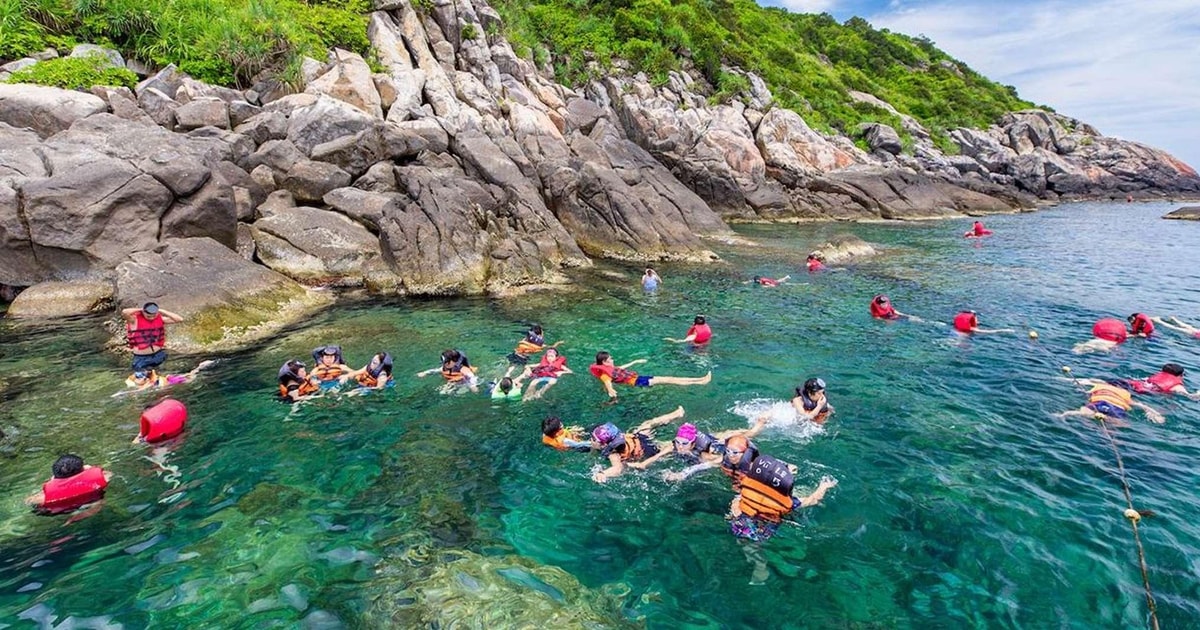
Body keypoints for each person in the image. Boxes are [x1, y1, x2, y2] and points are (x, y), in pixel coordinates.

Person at [728, 458, 838, 584]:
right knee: (756, 550)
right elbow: (813, 500)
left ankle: (758, 569)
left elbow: (739, 500)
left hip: (740, 524)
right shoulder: (786, 503)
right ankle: (760, 571)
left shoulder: (748, 489)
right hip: (763, 530)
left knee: (746, 544)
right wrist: (823, 486)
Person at [636, 414, 770, 478]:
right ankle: (676, 414)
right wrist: (644, 464)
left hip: (716, 443)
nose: (680, 446)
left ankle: (760, 423)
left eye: (684, 444)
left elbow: (711, 463)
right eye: (678, 442)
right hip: (704, 440)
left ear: (693, 443)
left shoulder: (705, 454)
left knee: (748, 433)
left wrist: (682, 474)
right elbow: (659, 455)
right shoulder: (675, 445)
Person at [590, 406, 686, 482]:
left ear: (605, 445)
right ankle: (677, 414)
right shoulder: (616, 440)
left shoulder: (613, 453)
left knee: (669, 448)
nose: (591, 439)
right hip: (638, 438)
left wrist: (603, 473)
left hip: (647, 450)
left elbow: (618, 468)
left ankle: (681, 443)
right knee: (648, 424)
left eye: (594, 439)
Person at [590, 351, 712, 402]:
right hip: (638, 382)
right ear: (605, 362)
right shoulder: (605, 375)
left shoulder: (608, 369)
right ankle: (700, 381)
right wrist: (611, 391)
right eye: (610, 359)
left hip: (639, 378)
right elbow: (608, 383)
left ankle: (700, 379)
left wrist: (635, 362)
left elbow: (620, 368)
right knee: (669, 380)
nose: (613, 359)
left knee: (668, 378)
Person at [26, 454, 112, 515]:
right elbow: (109, 474)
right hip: (89, 504)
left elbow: (29, 501)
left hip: (57, 511)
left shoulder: (43, 497)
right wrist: (90, 469)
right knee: (98, 501)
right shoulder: (103, 477)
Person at [1057, 382, 1165, 424]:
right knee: (1120, 425)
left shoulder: (1099, 386)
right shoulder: (1124, 393)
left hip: (1098, 403)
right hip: (1116, 407)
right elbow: (1140, 405)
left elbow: (1086, 392)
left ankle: (1064, 414)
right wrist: (1154, 413)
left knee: (1083, 412)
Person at [1075, 363, 1199, 400]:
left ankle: (1080, 380)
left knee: (1105, 382)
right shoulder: (1177, 386)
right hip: (1137, 391)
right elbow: (1190, 397)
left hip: (1131, 383)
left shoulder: (1156, 376)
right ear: (1180, 375)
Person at [122, 302, 184, 373]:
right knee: (143, 380)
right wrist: (142, 309)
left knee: (163, 376)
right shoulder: (134, 320)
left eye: (154, 315)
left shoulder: (160, 319)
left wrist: (161, 310)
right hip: (142, 358)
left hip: (159, 355)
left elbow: (179, 319)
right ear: (143, 313)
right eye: (148, 316)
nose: (151, 318)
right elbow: (125, 312)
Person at [122, 360, 217, 393]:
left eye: (138, 378)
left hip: (173, 381)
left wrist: (122, 394)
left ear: (145, 380)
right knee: (189, 374)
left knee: (192, 377)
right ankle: (199, 367)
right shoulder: (145, 379)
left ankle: (200, 367)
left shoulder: (149, 383)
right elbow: (132, 378)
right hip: (168, 378)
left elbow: (138, 391)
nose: (136, 379)